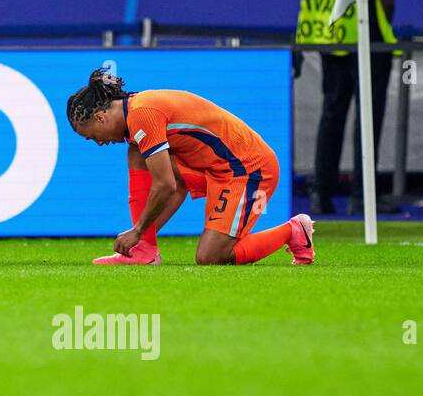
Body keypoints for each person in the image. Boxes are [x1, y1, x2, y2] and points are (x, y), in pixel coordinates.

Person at [66, 69, 313, 267]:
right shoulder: (136, 113)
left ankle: (293, 230)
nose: (99, 143)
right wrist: (140, 236)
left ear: (100, 117)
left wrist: (138, 230)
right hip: (218, 168)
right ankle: (144, 252)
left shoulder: (142, 114)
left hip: (250, 170)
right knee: (137, 154)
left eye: (92, 136)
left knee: (211, 257)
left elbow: (166, 185)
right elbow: (176, 187)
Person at [296, 0, 397, 217]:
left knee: (332, 113)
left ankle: (321, 194)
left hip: (327, 35)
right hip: (365, 38)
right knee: (368, 117)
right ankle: (362, 196)